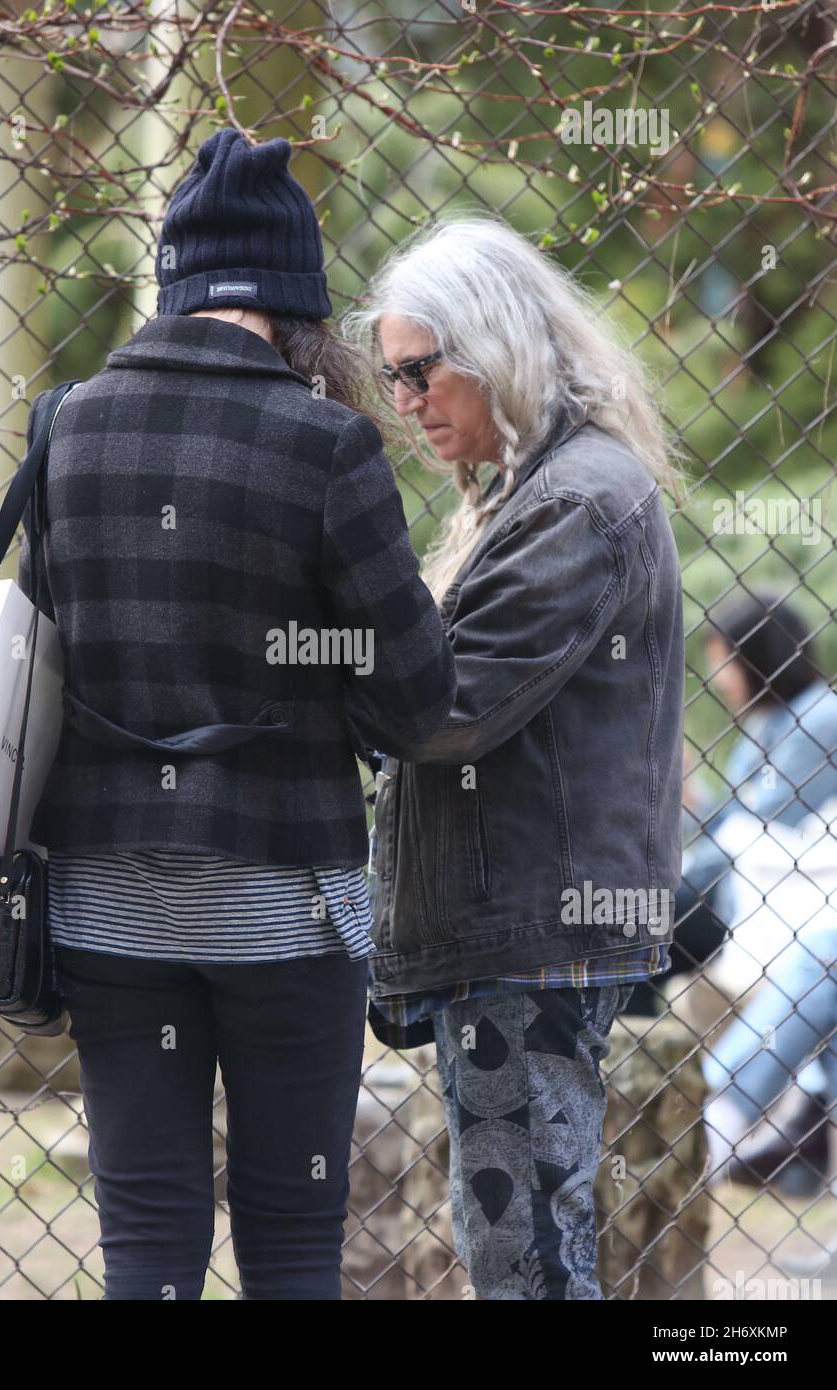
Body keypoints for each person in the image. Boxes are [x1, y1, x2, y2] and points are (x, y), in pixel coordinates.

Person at [15, 128, 457, 1300]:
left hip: (105, 896)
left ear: (178, 281)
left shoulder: (66, 426)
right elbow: (417, 702)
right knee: (291, 1233)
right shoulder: (326, 444)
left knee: (148, 1236)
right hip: (284, 909)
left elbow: (43, 642)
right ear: (296, 303)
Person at [343, 212, 686, 1300]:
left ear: (493, 347)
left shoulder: (575, 499)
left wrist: (333, 615)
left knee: (524, 1258)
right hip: (525, 925)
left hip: (531, 932)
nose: (404, 402)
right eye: (390, 377)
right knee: (526, 1248)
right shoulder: (545, 490)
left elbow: (444, 707)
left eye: (419, 371)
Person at [681, 592, 837, 1192]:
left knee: (638, 924)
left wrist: (683, 872)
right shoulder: (769, 723)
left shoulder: (817, 718)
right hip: (749, 893)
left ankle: (708, 1121)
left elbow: (764, 826)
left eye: (724, 661)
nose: (719, 680)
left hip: (769, 901)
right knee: (630, 929)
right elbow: (738, 825)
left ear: (757, 657)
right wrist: (694, 803)